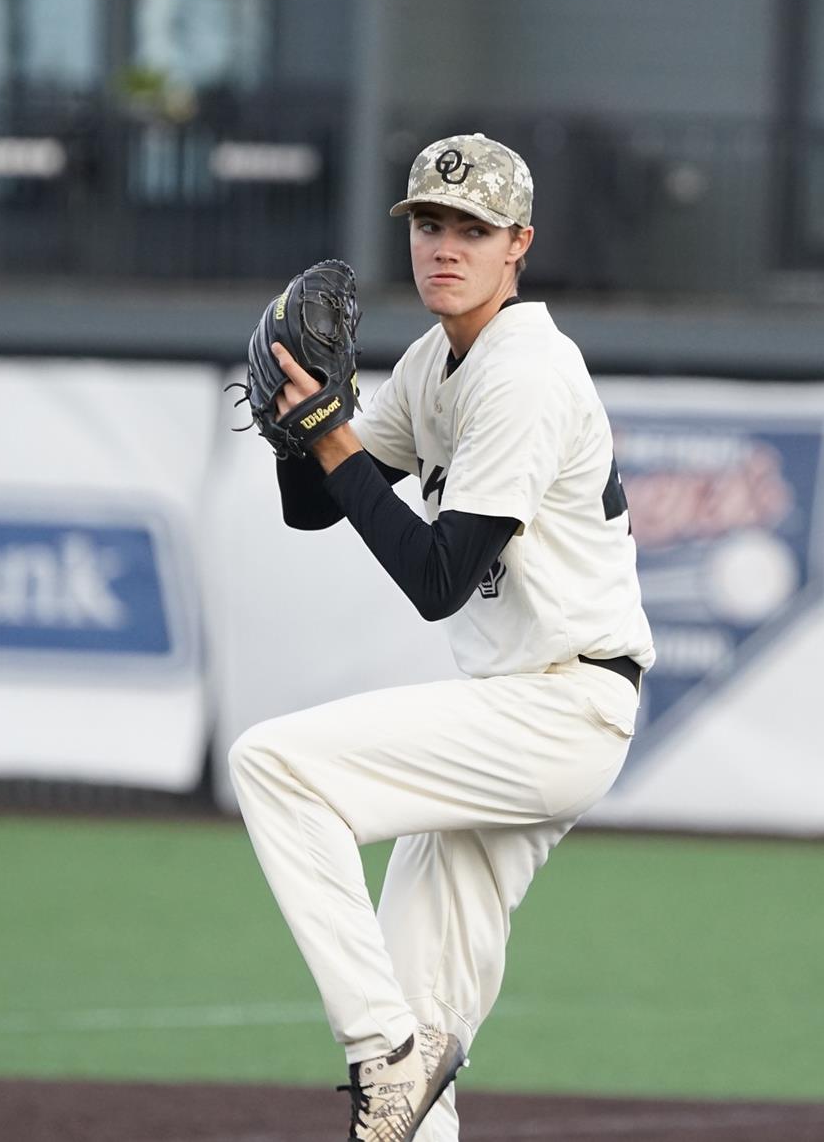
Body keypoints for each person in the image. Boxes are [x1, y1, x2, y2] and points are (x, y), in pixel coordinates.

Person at [231, 133, 654, 1142]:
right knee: (418, 1076)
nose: (444, 245)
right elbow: (318, 504)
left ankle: (377, 1046)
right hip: (517, 708)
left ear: (519, 244)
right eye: (428, 223)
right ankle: (402, 1060)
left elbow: (436, 579)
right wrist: (303, 418)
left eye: (472, 227)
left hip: (559, 703)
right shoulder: (436, 362)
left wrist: (331, 436)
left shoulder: (523, 373)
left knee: (275, 766)